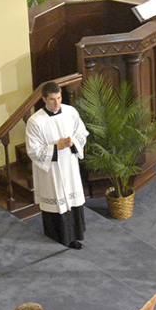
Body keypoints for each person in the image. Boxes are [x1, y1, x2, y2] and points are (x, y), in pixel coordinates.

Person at [25, 81, 88, 249]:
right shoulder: (35, 121)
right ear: (44, 99)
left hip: (69, 164)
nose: (57, 103)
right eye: (52, 99)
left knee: (71, 199)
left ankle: (74, 236)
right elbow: (32, 150)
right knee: (56, 201)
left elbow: (81, 131)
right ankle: (57, 237)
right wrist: (56, 147)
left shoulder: (70, 112)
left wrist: (72, 141)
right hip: (51, 168)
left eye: (59, 98)